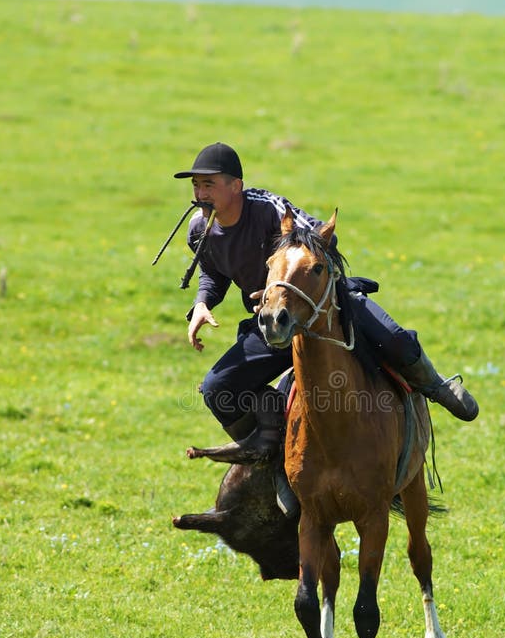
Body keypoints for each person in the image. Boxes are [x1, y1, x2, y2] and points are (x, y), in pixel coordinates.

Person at [175, 142, 478, 515]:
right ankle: (275, 458)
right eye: (197, 186)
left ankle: (435, 384)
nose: (201, 194)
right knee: (217, 388)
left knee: (393, 338)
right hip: (272, 323)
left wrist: (286, 284)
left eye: (209, 184)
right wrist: (203, 303)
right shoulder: (199, 227)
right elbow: (214, 269)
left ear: (235, 185)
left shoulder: (269, 208)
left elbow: (317, 239)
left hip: (321, 309)